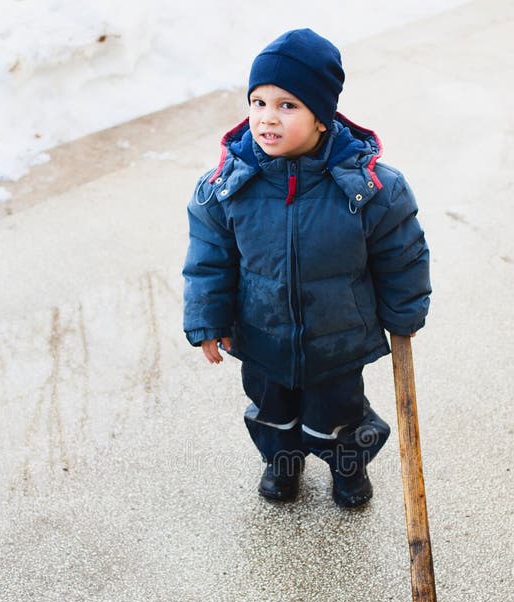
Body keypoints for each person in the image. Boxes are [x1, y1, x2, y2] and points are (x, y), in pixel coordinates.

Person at [182, 28, 430, 507]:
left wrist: (405, 313)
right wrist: (206, 319)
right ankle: (282, 462)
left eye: (287, 105)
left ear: (321, 117)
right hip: (262, 334)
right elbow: (208, 259)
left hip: (337, 339)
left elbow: (402, 255)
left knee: (337, 416)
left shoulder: (368, 188)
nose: (267, 117)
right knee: (271, 412)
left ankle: (348, 466)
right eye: (258, 102)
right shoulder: (228, 186)